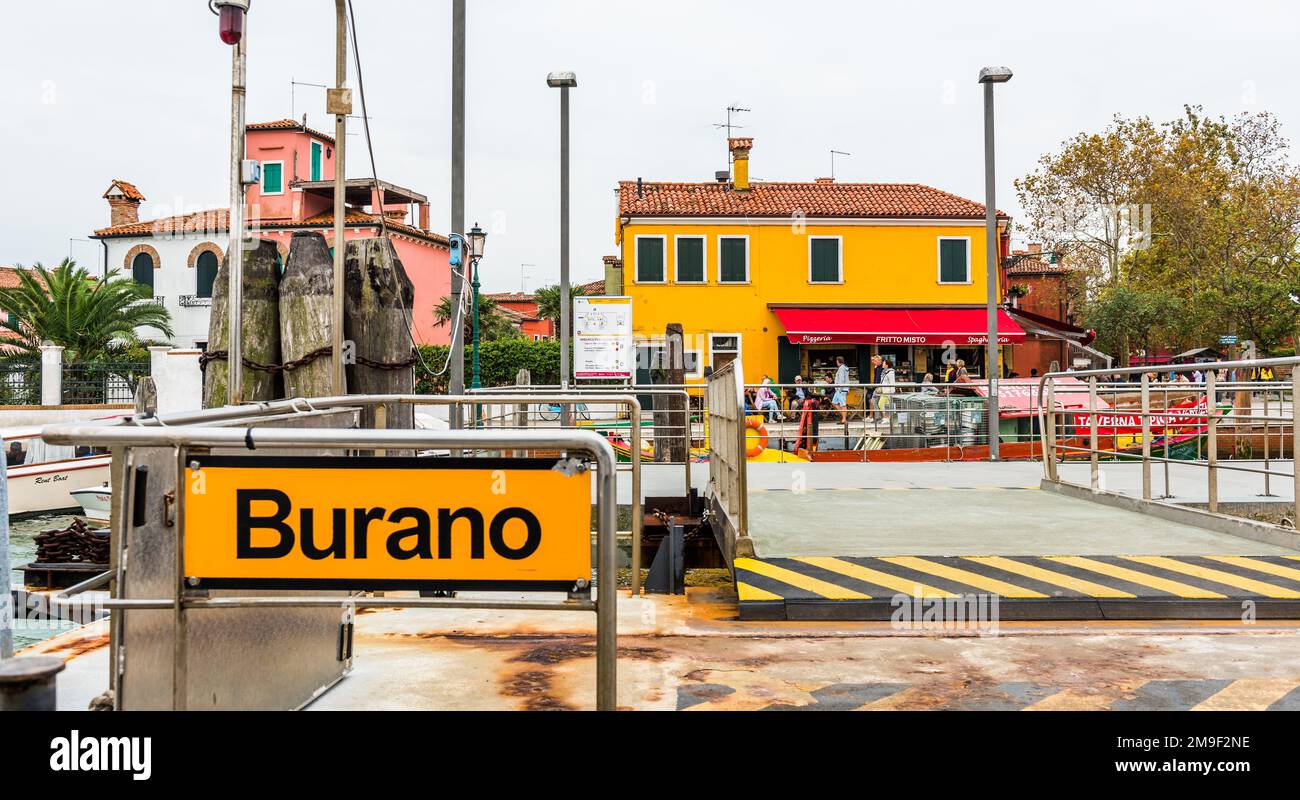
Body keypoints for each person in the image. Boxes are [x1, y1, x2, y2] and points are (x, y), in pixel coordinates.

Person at [831, 356, 851, 424]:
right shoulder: (844, 367)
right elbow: (847, 379)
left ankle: (844, 419)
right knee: (834, 402)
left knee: (843, 405)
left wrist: (839, 389)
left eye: (836, 361)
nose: (836, 362)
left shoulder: (842, 368)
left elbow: (842, 379)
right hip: (840, 389)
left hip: (841, 389)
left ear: (838, 361)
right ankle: (844, 416)